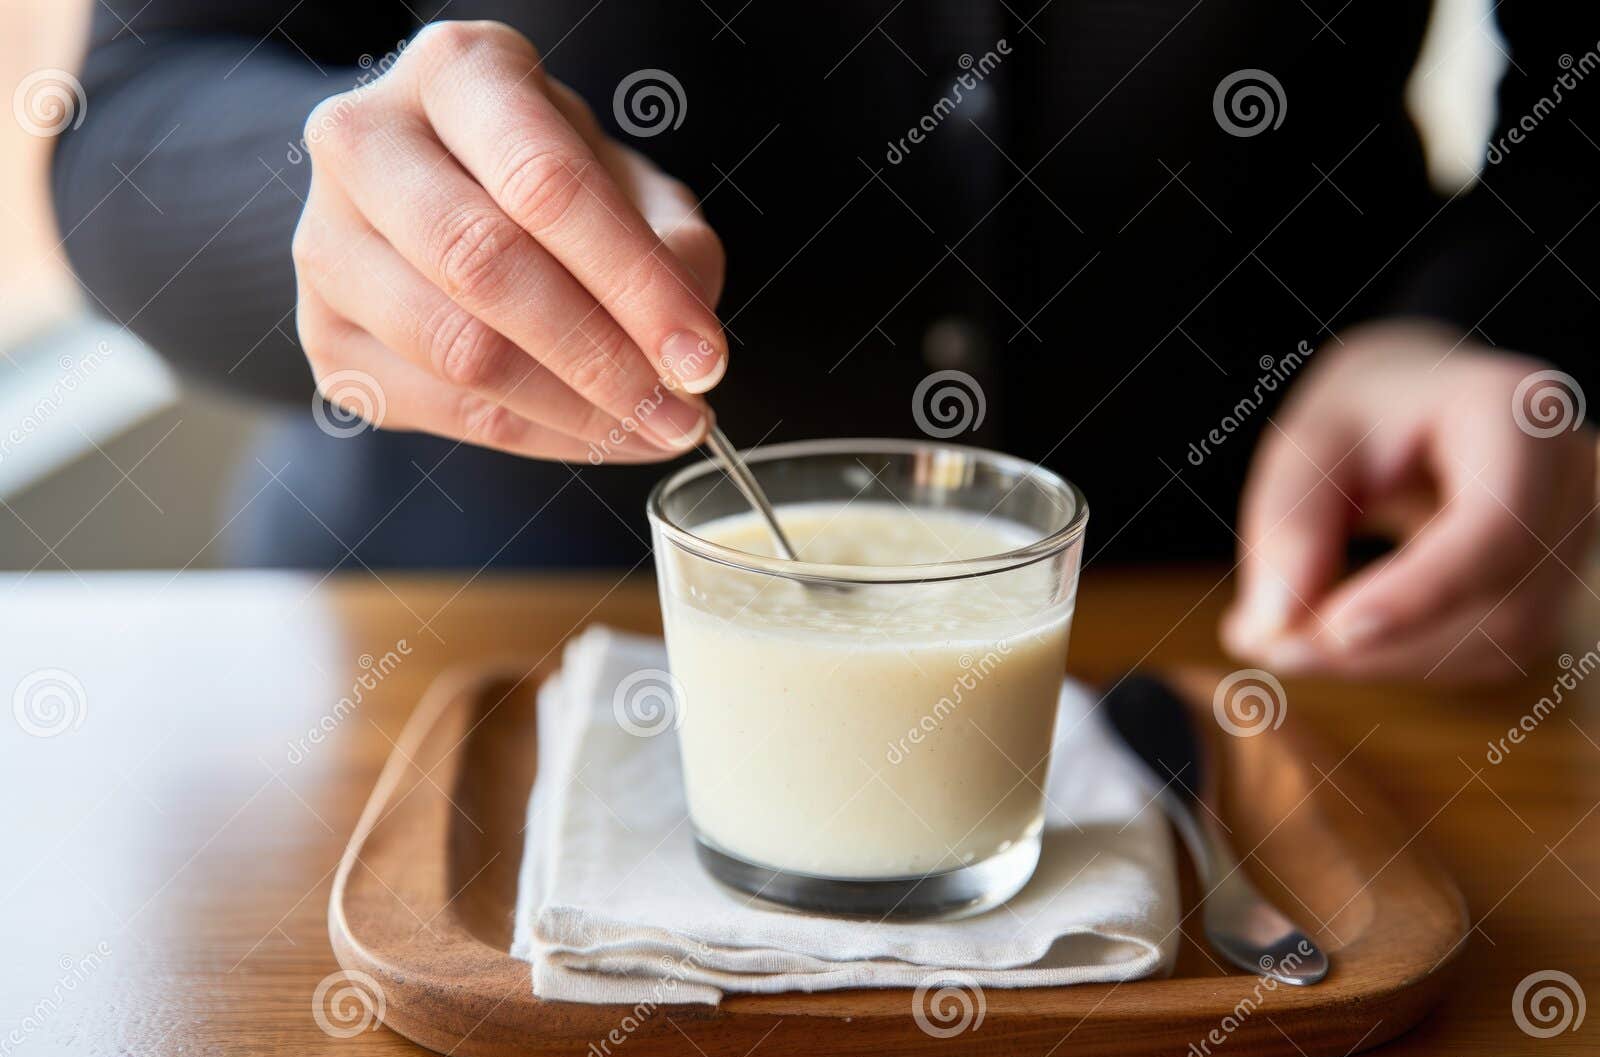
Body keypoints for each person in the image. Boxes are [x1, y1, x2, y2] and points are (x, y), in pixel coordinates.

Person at [53, 3, 1598, 681]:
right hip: (453, 649)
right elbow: (131, 120)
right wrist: (331, 211)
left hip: (1283, 616)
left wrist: (1484, 324)